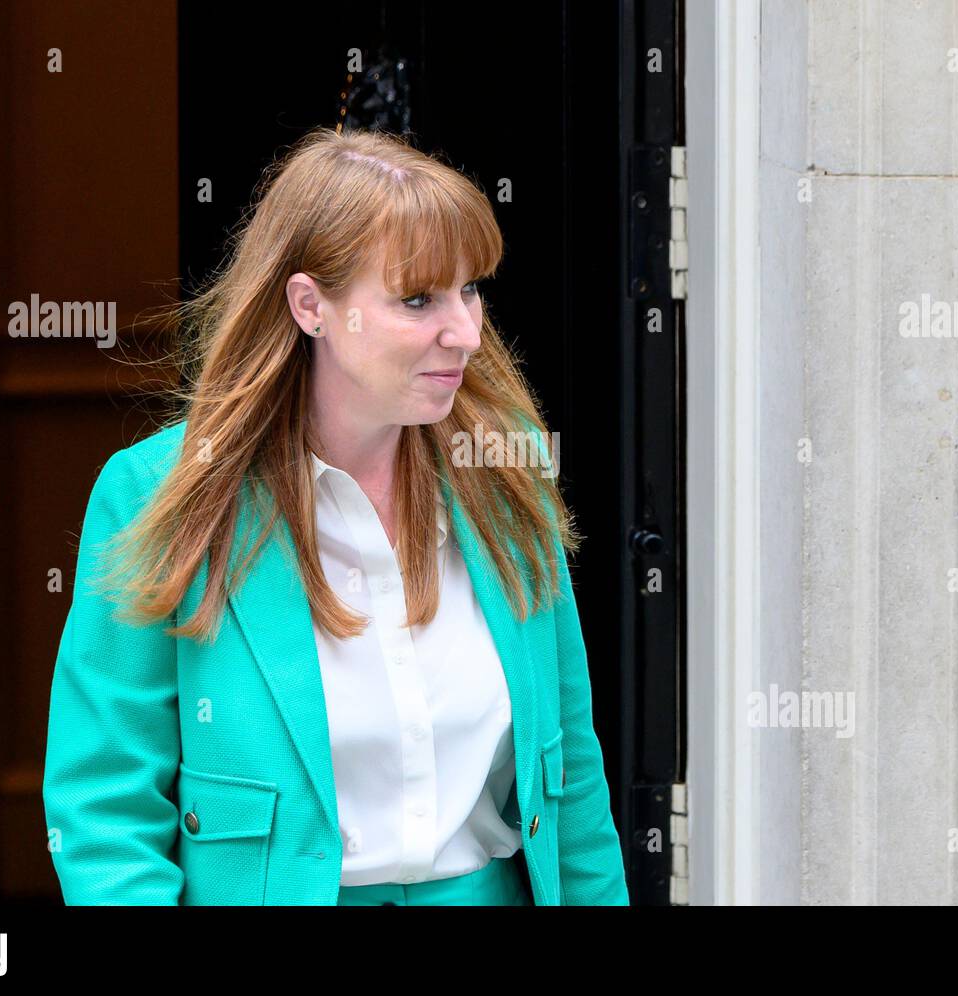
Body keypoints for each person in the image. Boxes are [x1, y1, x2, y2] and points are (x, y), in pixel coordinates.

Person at [41, 126, 629, 906]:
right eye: (418, 299)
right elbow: (104, 814)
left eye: (471, 289)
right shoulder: (158, 492)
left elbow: (571, 776)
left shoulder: (505, 463)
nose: (466, 332)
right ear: (311, 306)